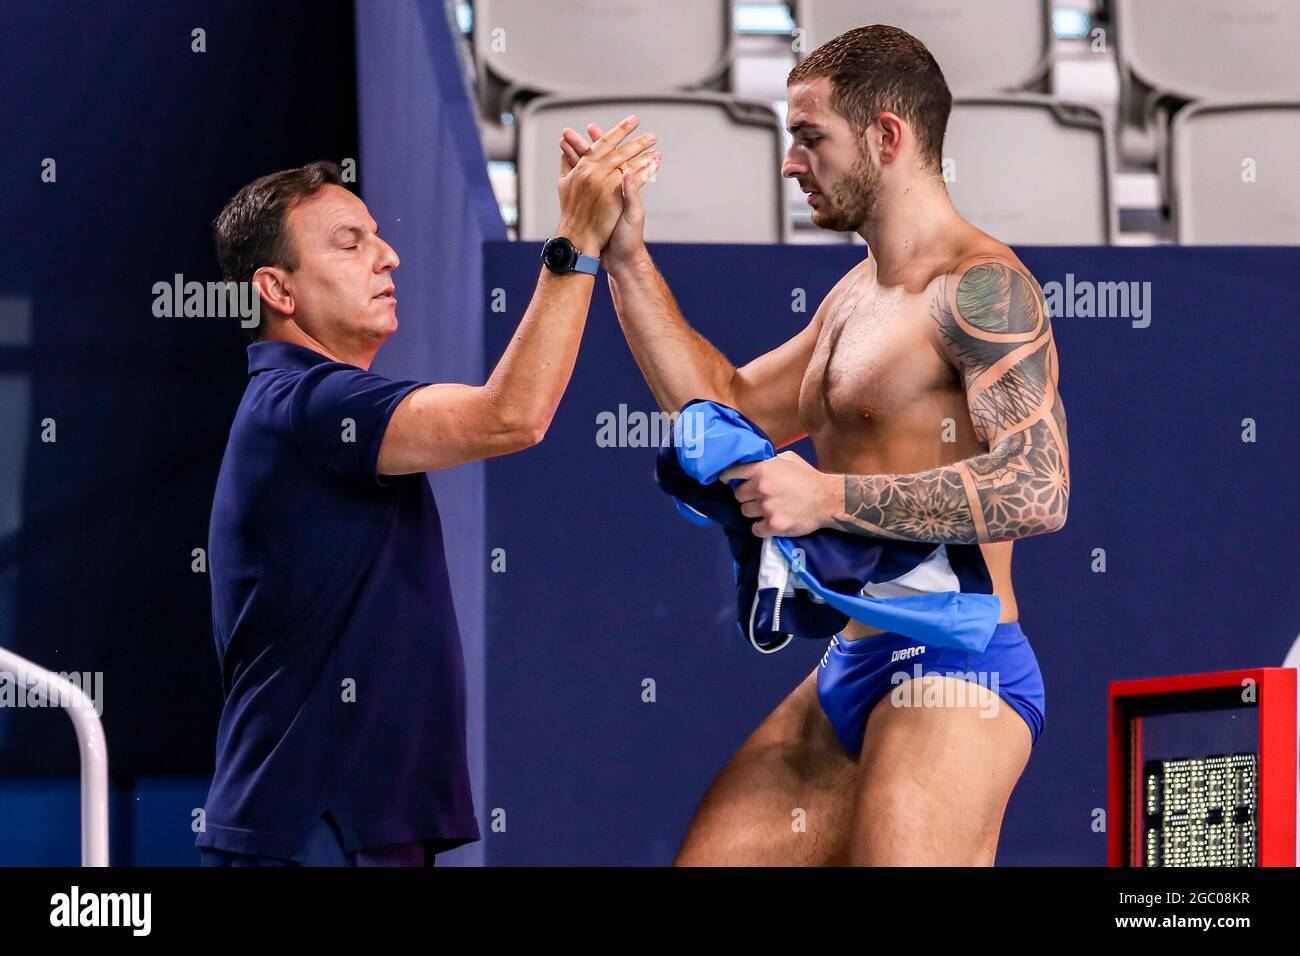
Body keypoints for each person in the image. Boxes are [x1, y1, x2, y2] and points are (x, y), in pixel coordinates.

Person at [558, 25, 1068, 865]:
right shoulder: (852, 299)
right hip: (850, 667)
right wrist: (626, 259)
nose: (792, 163)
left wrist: (827, 497)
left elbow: (1038, 489)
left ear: (887, 136)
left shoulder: (981, 288)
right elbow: (720, 401)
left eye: (809, 137)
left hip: (957, 671)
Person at [198, 118, 661, 866]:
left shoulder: (314, 406)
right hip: (310, 834)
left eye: (376, 235)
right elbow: (511, 415)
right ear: (277, 288)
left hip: (357, 832)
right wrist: (574, 239)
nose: (388, 256)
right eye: (349, 243)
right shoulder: (307, 405)